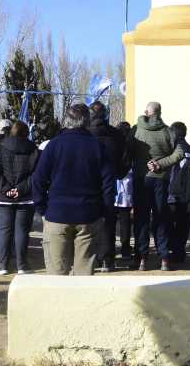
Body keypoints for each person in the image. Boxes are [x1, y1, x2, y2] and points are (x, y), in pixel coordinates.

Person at [32, 103, 115, 276]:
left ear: (66, 121)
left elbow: (38, 180)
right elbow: (108, 185)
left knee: (56, 274)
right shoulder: (98, 147)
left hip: (57, 214)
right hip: (89, 215)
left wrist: (42, 209)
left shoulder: (53, 145)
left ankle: (58, 303)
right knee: (84, 276)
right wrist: (105, 212)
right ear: (87, 121)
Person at [129, 101, 185, 271]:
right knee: (161, 218)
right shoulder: (168, 131)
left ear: (147, 112)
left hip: (141, 178)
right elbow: (180, 153)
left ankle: (141, 258)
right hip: (161, 179)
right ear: (159, 113)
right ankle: (164, 258)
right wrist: (160, 163)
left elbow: (128, 150)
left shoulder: (136, 130)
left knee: (141, 219)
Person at [0, 120, 38, 275]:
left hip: (4, 196)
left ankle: (2, 265)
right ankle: (21, 265)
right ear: (27, 133)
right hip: (24, 196)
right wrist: (20, 189)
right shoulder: (34, 150)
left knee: (4, 230)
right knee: (22, 231)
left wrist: (7, 189)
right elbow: (36, 174)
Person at [88, 101, 128, 271]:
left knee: (88, 222)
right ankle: (108, 259)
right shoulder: (116, 135)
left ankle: (92, 258)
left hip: (88, 182)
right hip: (109, 183)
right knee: (108, 221)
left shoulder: (85, 134)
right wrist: (119, 173)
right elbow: (125, 159)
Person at [166, 121, 190, 264]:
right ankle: (180, 251)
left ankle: (173, 251)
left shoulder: (172, 150)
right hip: (188, 195)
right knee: (183, 225)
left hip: (172, 194)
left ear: (173, 133)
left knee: (169, 224)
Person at [114, 121, 135, 263]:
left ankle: (108, 249)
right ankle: (126, 249)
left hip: (113, 188)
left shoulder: (113, 145)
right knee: (125, 221)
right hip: (128, 188)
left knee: (109, 221)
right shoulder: (132, 148)